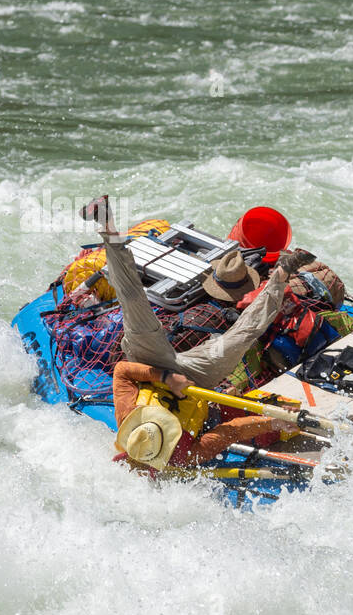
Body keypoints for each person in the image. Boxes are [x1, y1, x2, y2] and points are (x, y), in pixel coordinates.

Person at [80, 195, 305, 470]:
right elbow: (232, 431)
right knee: (240, 338)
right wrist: (274, 420)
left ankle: (107, 228)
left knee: (133, 299)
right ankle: (280, 276)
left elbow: (123, 371)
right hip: (196, 378)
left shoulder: (127, 415)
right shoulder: (186, 456)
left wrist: (165, 377)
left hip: (149, 360)